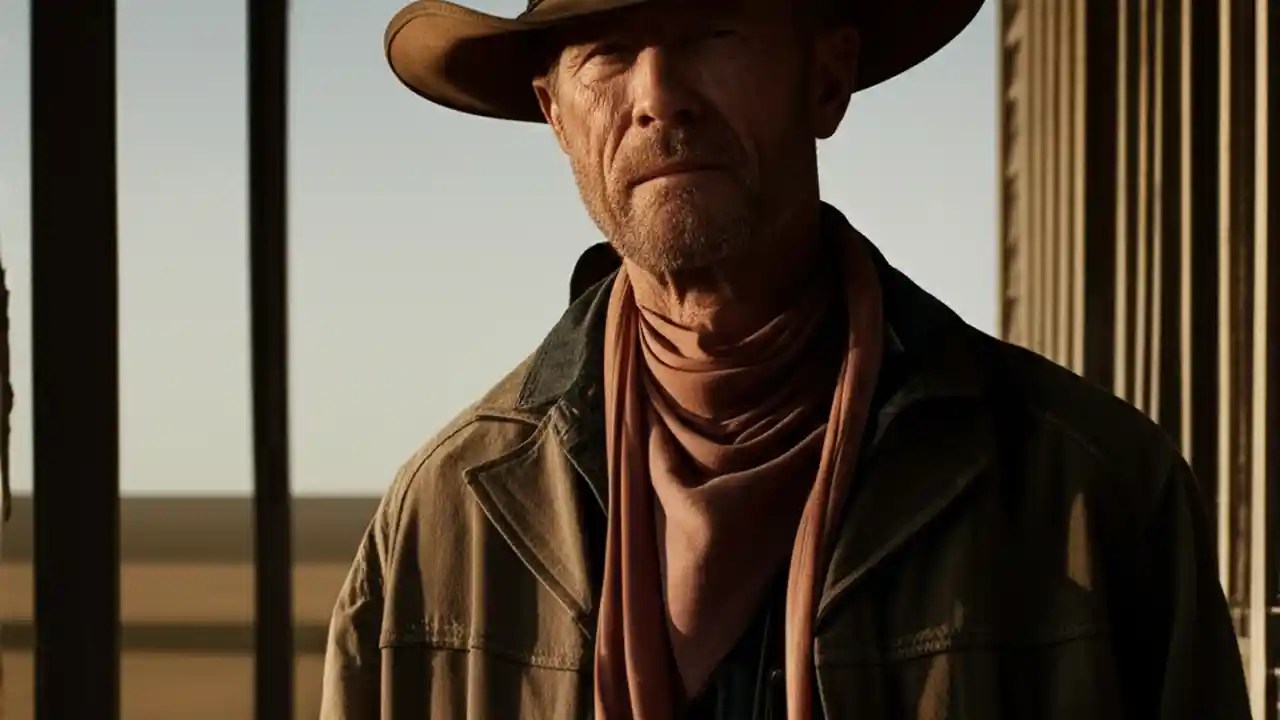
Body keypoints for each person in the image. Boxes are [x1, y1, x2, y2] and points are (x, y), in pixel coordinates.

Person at [320, 0, 1252, 717]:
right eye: (607, 52)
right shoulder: (441, 529)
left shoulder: (1090, 492)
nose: (657, 95)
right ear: (555, 116)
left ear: (826, 77)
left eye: (712, 29)